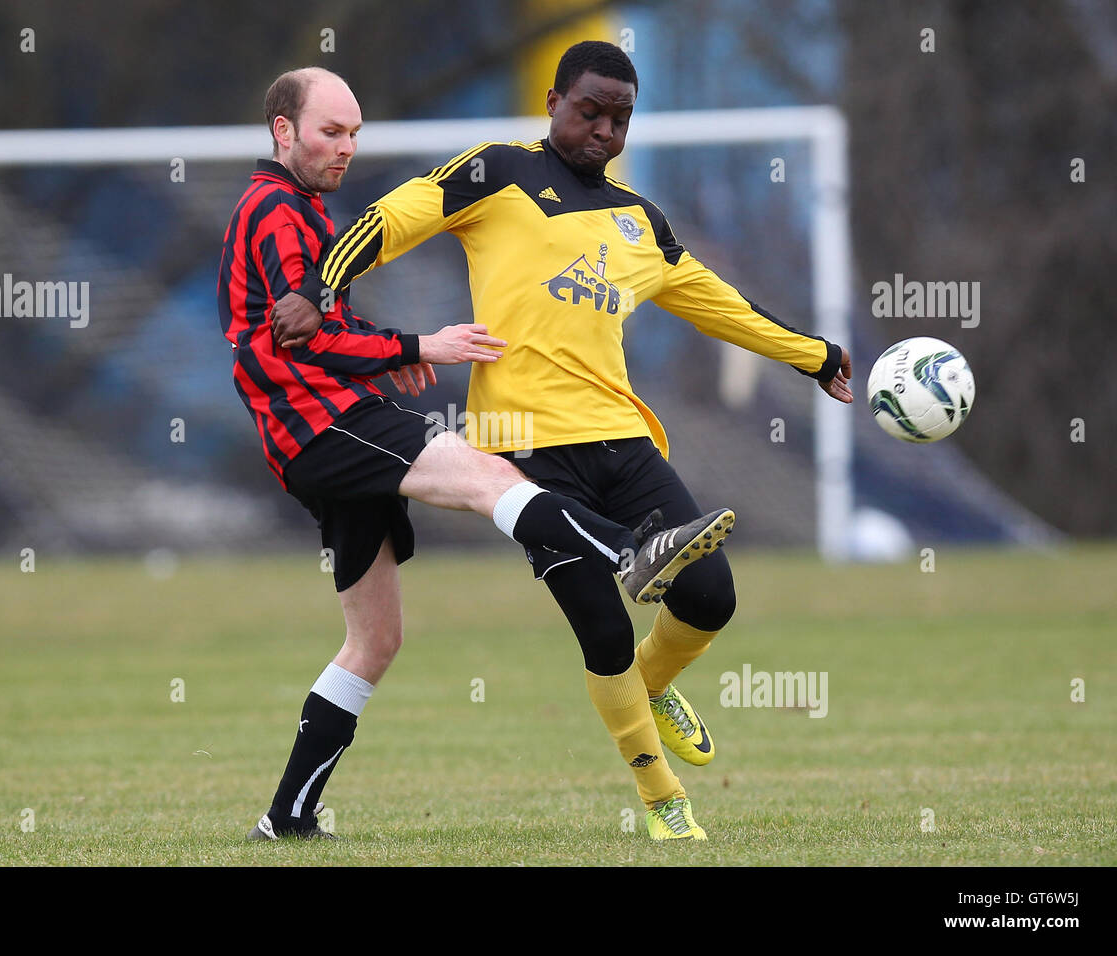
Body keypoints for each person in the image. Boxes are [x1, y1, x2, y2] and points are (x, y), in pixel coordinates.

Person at [267, 43, 854, 841]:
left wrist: (813, 356)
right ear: (553, 101)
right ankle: (662, 800)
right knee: (603, 629)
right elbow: (396, 216)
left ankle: (652, 685)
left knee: (711, 596)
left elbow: (721, 303)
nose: (605, 131)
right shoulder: (499, 171)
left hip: (623, 440)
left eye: (621, 118)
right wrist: (317, 287)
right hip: (524, 449)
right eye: (590, 112)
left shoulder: (641, 220)